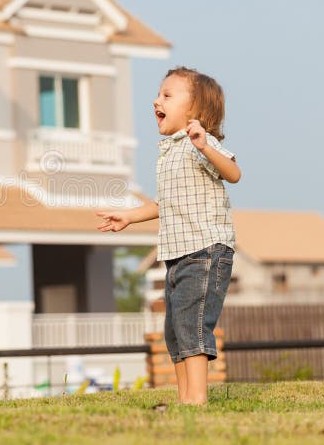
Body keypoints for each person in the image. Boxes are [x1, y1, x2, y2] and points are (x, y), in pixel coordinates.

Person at [97, 67, 241, 405]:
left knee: (192, 324)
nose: (156, 101)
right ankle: (184, 398)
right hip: (178, 254)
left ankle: (198, 399)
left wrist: (205, 147)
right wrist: (130, 217)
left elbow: (233, 173)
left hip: (206, 250)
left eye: (166, 95)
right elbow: (167, 203)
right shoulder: (170, 152)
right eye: (158, 95)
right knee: (175, 331)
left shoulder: (198, 144)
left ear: (194, 111)